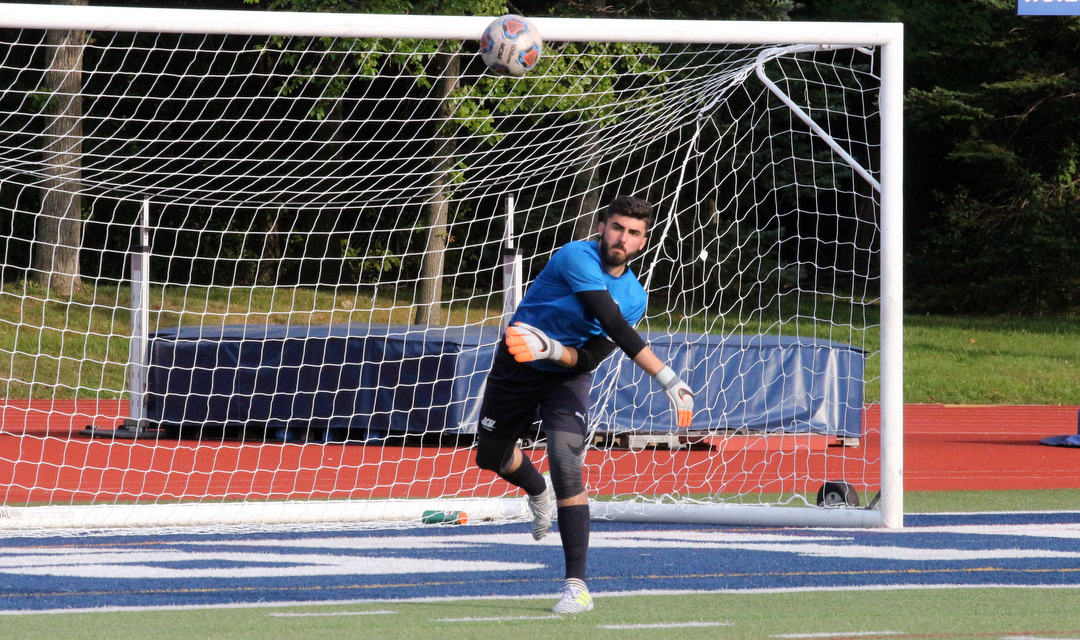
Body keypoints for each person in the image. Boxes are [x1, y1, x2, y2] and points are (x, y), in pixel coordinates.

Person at [473, 195, 694, 614]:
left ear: (643, 242)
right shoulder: (576, 255)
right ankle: (536, 489)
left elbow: (591, 356)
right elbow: (607, 318)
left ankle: (577, 587)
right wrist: (668, 378)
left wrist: (551, 349)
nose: (621, 238)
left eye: (632, 233)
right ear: (601, 228)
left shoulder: (635, 296)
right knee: (490, 456)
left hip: (567, 374)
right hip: (517, 364)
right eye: (616, 228)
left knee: (566, 461)